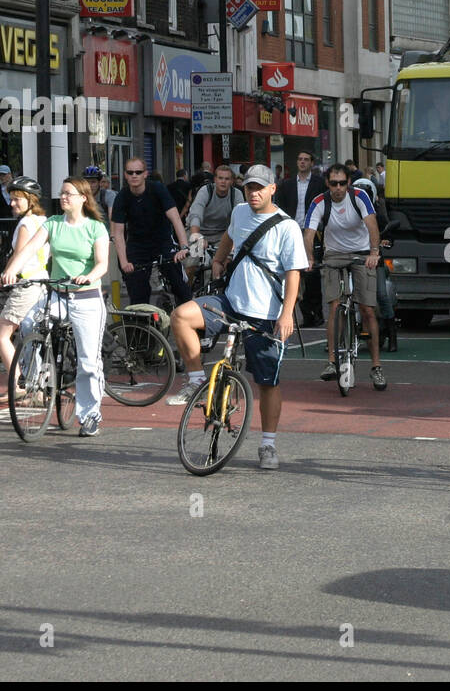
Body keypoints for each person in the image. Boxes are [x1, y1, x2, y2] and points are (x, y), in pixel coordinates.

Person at [166, 165, 305, 469]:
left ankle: (268, 445)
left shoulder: (287, 226)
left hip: (265, 314)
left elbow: (293, 273)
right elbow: (230, 237)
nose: (253, 193)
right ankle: (196, 380)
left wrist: (286, 314)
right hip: (230, 301)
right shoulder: (241, 212)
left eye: (259, 188)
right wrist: (218, 260)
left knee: (268, 382)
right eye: (249, 188)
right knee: (180, 316)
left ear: (272, 189)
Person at [0, 177, 110, 437]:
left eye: (69, 194)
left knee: (88, 362)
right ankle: (35, 374)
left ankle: (90, 415)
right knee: (29, 322)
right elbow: (28, 250)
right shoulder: (53, 224)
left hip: (86, 298)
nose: (63, 197)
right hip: (59, 295)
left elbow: (102, 263)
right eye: (61, 193)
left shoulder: (96, 228)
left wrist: (90, 276)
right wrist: (12, 272)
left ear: (83, 198)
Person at [302, 162, 387, 390]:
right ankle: (332, 361)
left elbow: (372, 226)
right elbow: (309, 233)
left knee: (368, 309)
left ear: (348, 183)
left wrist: (374, 253)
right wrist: (308, 258)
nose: (338, 188)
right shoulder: (320, 202)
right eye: (333, 183)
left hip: (361, 254)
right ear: (327, 184)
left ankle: (376, 366)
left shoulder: (359, 197)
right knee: (334, 306)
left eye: (342, 183)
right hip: (334, 255)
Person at [0, 177, 51, 398]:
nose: (11, 203)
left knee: (1, 335)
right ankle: (37, 388)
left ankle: (17, 387)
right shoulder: (43, 220)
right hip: (41, 281)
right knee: (31, 335)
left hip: (26, 285)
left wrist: (3, 277)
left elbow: (20, 255)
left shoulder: (25, 224)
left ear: (31, 200)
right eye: (11, 198)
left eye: (17, 199)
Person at [110, 158, 193, 307]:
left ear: (145, 174)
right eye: (130, 172)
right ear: (125, 175)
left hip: (162, 241)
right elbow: (118, 232)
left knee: (180, 287)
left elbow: (175, 219)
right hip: (138, 245)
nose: (134, 175)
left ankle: (190, 317)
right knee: (137, 293)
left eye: (138, 172)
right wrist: (124, 262)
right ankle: (140, 326)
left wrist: (184, 247)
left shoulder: (157, 189)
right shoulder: (122, 197)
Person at [279, 149, 326, 325]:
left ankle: (316, 313)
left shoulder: (319, 183)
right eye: (300, 159)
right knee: (294, 271)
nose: (302, 162)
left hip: (312, 232)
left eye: (306, 159)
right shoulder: (287, 184)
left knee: (311, 274)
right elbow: (281, 206)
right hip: (292, 231)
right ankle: (305, 314)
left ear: (312, 163)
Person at [354, 176, 398, 350]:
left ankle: (392, 335)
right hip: (354, 260)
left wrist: (386, 240)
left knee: (381, 294)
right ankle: (338, 336)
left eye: (366, 193)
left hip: (374, 262)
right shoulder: (350, 216)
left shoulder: (378, 216)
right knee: (345, 295)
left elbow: (389, 235)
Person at [186, 164, 244, 284]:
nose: (223, 182)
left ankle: (217, 290)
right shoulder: (206, 191)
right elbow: (196, 214)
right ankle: (186, 293)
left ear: (232, 181)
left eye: (227, 179)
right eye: (220, 178)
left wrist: (232, 247)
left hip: (221, 234)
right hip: (199, 231)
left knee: (225, 263)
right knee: (191, 262)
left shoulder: (236, 195)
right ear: (215, 180)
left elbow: (239, 221)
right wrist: (197, 236)